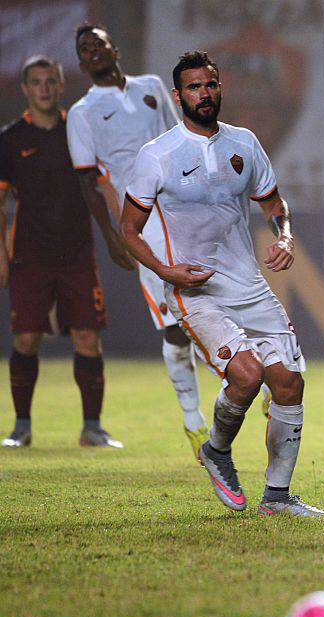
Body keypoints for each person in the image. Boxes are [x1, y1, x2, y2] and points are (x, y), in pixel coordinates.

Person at [119, 50, 324, 518]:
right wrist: (166, 272)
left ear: (220, 88)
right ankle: (217, 450)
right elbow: (128, 230)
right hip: (194, 290)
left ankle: (277, 497)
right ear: (178, 96)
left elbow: (274, 206)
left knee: (289, 384)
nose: (204, 94)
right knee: (247, 377)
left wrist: (287, 237)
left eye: (210, 85)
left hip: (248, 285)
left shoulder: (245, 144)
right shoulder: (158, 156)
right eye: (194, 87)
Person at [67, 24, 211, 461]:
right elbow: (88, 182)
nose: (92, 50)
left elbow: (182, 138)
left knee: (213, 302)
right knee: (174, 323)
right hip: (143, 227)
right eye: (83, 48)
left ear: (114, 47)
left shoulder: (150, 87)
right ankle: (193, 420)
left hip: (185, 213)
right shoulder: (83, 112)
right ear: (80, 62)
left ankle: (239, 381)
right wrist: (113, 237)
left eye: (97, 42)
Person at [0, 56, 130, 448]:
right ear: (25, 89)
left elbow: (103, 184)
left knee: (88, 337)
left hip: (77, 253)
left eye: (50, 80)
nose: (43, 87)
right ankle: (21, 427)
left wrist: (124, 230)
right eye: (36, 81)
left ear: (60, 85)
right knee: (26, 339)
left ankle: (93, 428)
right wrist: (1, 257)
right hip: (30, 254)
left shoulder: (77, 130)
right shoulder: (10, 139)